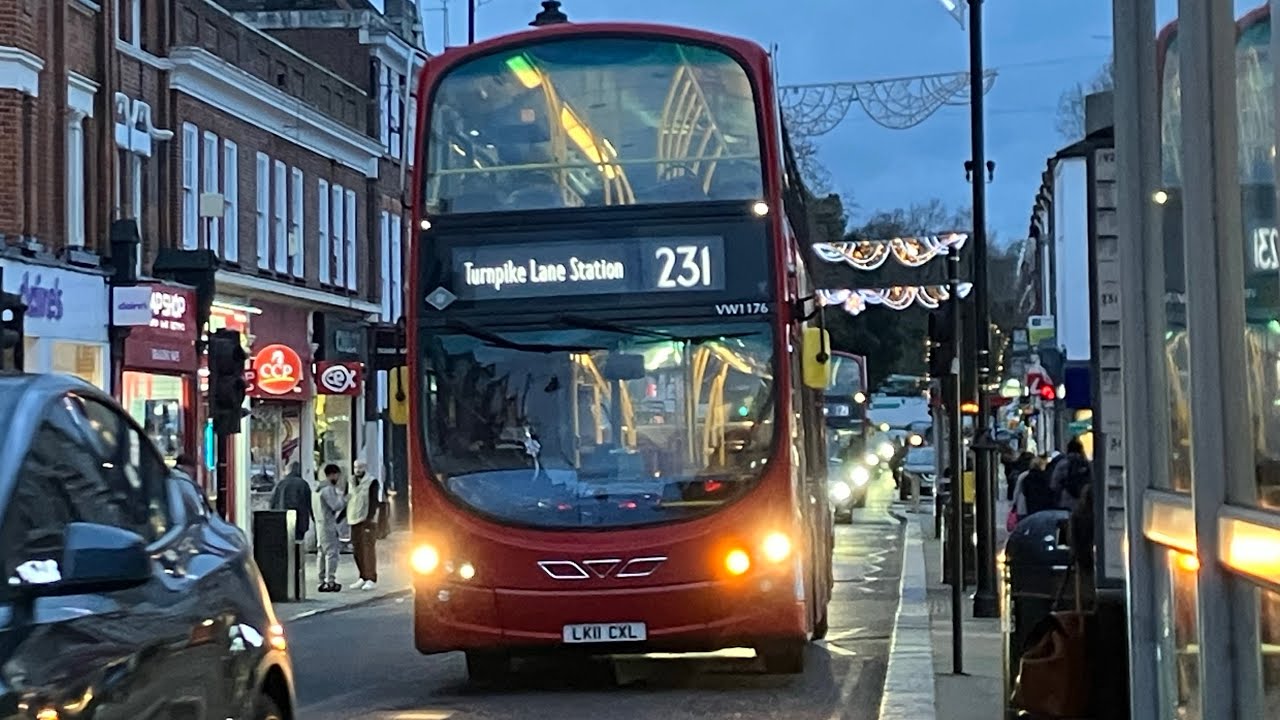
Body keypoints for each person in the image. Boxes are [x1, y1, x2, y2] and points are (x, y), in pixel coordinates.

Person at [346, 460, 381, 590]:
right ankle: (362, 576)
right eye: (355, 467)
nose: (357, 469)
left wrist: (370, 518)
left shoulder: (372, 482)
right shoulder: (350, 481)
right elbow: (348, 499)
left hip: (367, 520)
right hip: (353, 519)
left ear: (365, 468)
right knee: (357, 550)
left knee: (368, 550)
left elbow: (374, 501)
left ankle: (371, 578)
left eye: (360, 467)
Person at [315, 464, 347, 592]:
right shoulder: (327, 489)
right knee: (331, 553)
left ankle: (321, 580)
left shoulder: (317, 489)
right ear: (333, 475)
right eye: (338, 475)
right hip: (328, 524)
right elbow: (335, 505)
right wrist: (344, 499)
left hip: (319, 524)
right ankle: (330, 581)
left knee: (321, 554)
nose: (338, 478)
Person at [269, 462, 313, 544]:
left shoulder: (281, 484)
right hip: (300, 519)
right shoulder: (303, 484)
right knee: (298, 543)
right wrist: (314, 518)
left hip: (282, 518)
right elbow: (309, 503)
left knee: (285, 543)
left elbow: (273, 503)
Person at [1050, 437, 1092, 511]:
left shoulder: (1063, 463)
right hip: (1083, 501)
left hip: (1066, 500)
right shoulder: (1086, 463)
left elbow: (1054, 485)